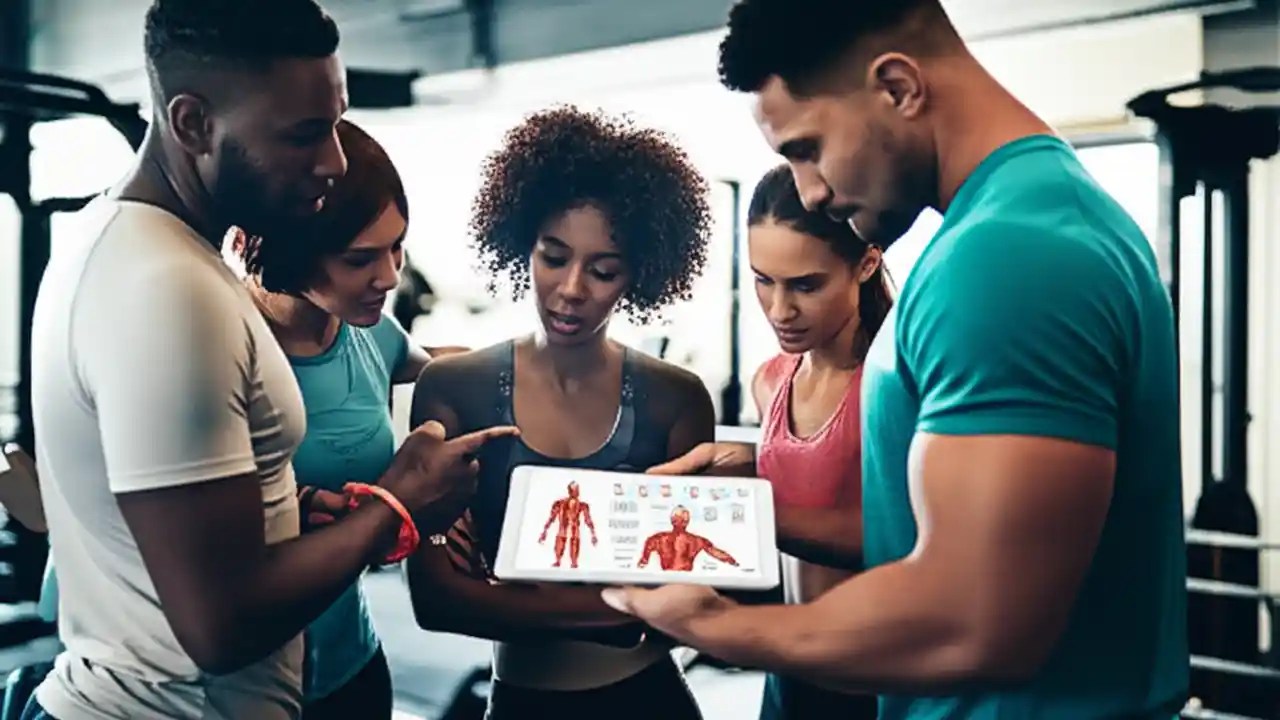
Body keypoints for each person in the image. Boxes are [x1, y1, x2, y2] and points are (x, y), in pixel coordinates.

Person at [604, 2, 1188, 719]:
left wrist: (714, 625)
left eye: (808, 148)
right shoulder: (1036, 220)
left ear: (899, 88)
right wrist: (750, 486)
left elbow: (971, 620)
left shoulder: (1006, 256)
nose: (810, 191)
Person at [25, 2, 514, 718]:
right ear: (193, 124)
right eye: (303, 134)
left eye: (335, 123)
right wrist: (398, 503)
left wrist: (293, 509)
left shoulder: (117, 240)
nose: (335, 162)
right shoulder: (170, 290)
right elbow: (222, 628)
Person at [405, 105, 716, 720]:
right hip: (520, 703)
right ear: (523, 243)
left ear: (638, 275)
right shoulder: (454, 388)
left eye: (603, 271)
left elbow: (690, 598)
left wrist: (505, 594)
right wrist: (620, 610)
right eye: (553, 257)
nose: (572, 289)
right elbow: (436, 602)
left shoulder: (677, 398)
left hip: (650, 703)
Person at [232, 118, 467, 719]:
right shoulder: (226, 348)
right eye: (360, 258)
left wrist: (555, 357)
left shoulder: (374, 334)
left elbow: (448, 369)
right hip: (244, 687)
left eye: (397, 247)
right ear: (292, 250)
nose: (390, 276)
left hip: (350, 668)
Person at [655, 163, 888, 719]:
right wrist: (738, 465)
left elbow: (905, 535)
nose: (780, 310)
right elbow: (817, 476)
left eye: (806, 285)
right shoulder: (772, 380)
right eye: (764, 280)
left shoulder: (891, 382)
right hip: (788, 671)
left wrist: (740, 510)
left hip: (873, 680)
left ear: (866, 263)